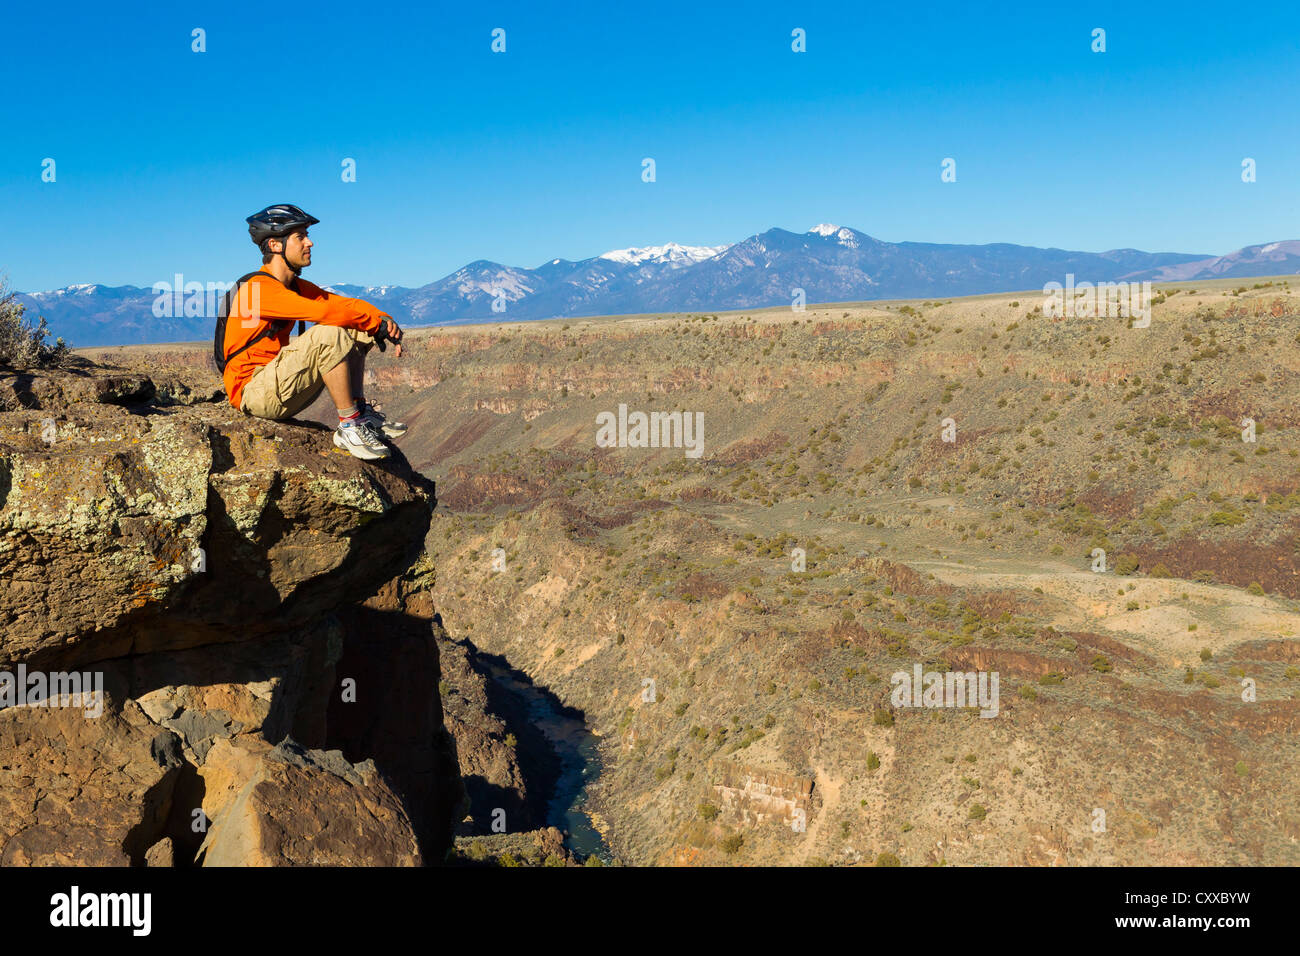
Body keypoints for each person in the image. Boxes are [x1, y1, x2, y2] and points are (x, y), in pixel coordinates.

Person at [218, 203, 407, 460]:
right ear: (275, 245)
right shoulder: (256, 290)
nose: (310, 243)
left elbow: (341, 304)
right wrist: (374, 322)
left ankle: (361, 414)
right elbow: (327, 314)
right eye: (301, 237)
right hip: (254, 393)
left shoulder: (293, 286)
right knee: (330, 333)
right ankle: (349, 426)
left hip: (277, 384)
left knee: (355, 329)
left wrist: (382, 319)